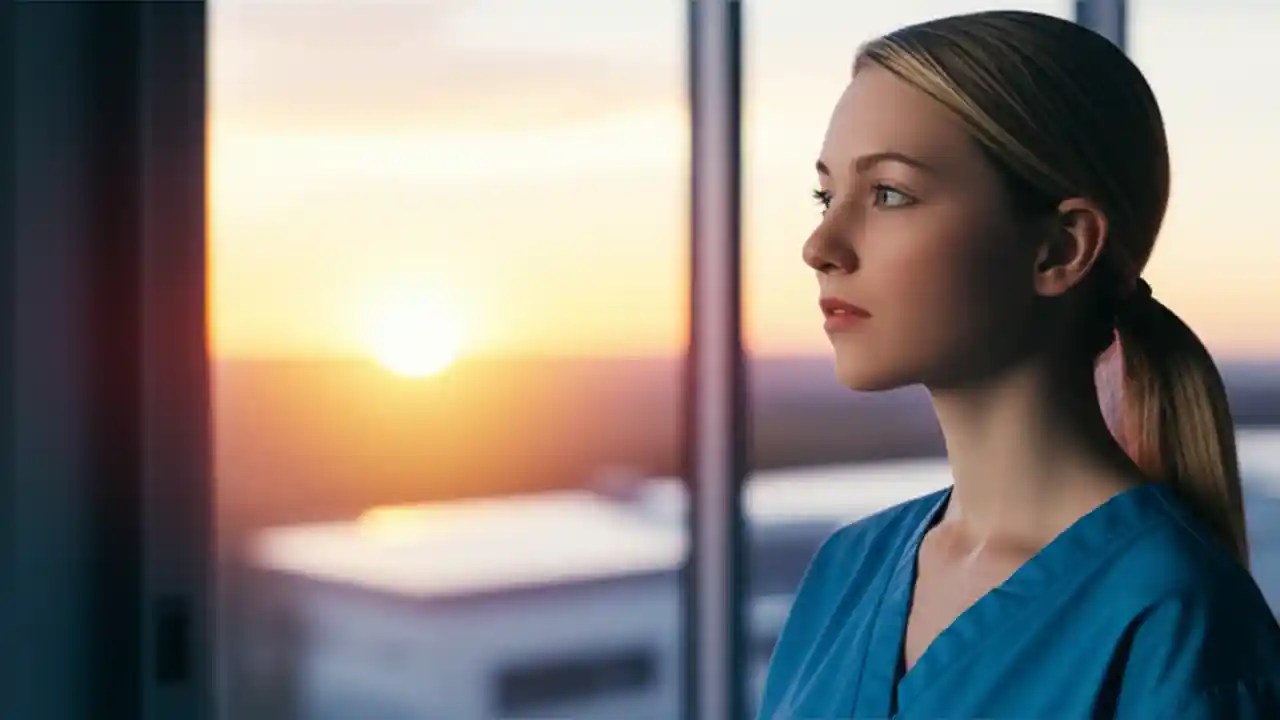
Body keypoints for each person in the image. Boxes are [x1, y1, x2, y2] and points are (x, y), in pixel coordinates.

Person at [757, 10, 1280, 719]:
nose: (821, 244)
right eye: (827, 195)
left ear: (1061, 249)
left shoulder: (1177, 623)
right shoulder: (847, 571)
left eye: (889, 194)